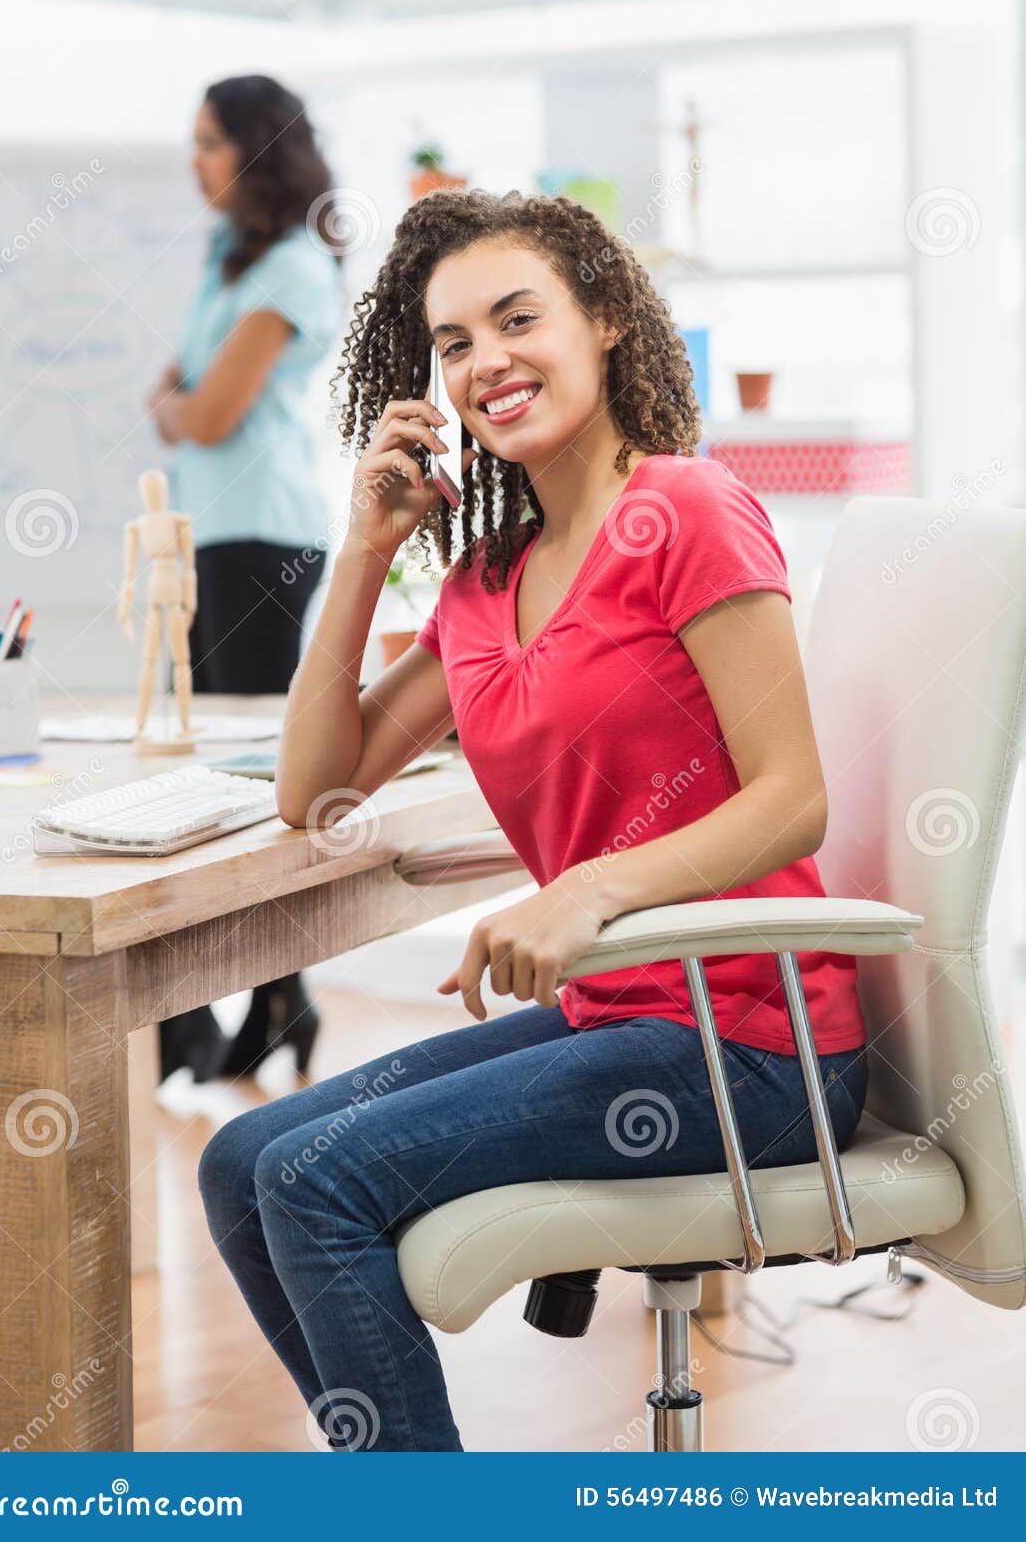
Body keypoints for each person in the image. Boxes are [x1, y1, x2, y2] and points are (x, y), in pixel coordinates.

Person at [197, 188, 869, 1451]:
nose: (485, 362)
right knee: (242, 1165)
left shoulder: (685, 509)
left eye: (517, 319)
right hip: (623, 1013)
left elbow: (793, 796)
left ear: (604, 320)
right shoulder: (483, 581)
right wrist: (359, 550)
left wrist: (586, 888)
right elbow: (315, 789)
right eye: (453, 343)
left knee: (310, 1176)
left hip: (752, 1045)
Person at [150, 74, 343, 1083]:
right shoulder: (232, 259)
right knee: (192, 763)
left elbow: (203, 410)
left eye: (211, 143)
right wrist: (180, 401)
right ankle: (238, 1007)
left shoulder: (295, 267)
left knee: (253, 776)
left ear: (256, 152)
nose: (196, 161)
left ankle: (275, 996)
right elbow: (178, 394)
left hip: (264, 537)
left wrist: (178, 402)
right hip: (211, 533)